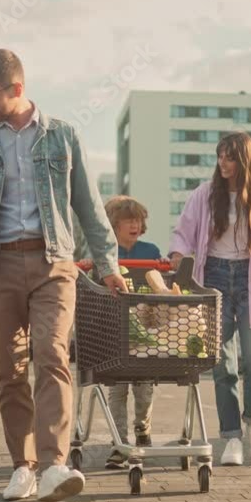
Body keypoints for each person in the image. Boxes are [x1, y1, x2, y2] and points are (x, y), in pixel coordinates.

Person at [0, 48, 127, 502]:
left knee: (52, 354)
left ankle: (53, 465)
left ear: (17, 88)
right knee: (10, 370)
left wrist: (108, 265)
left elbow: (89, 207)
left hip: (54, 264)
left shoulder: (63, 136)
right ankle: (22, 467)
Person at [168, 131, 251, 467]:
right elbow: (184, 230)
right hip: (214, 277)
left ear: (244, 160)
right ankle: (231, 437)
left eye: (230, 157)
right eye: (220, 156)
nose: (223, 163)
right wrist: (177, 254)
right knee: (222, 365)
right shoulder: (204, 194)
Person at [102, 196, 160, 469]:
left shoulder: (151, 252)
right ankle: (119, 443)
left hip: (145, 332)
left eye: (137, 220)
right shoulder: (104, 253)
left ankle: (142, 427)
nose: (134, 224)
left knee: (144, 387)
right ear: (114, 225)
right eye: (128, 220)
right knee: (117, 390)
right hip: (113, 332)